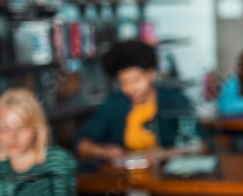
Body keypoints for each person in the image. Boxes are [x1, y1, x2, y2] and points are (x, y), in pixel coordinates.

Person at [76, 39, 210, 162]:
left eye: (135, 80)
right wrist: (104, 151)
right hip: (123, 180)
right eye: (123, 83)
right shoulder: (115, 103)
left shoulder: (174, 101)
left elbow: (202, 145)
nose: (129, 89)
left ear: (150, 74)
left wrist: (165, 154)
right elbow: (82, 144)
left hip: (166, 181)